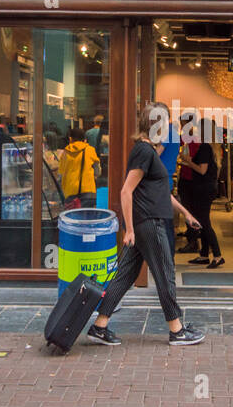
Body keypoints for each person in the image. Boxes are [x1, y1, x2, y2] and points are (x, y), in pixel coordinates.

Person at [87, 102, 208, 347]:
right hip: (148, 224)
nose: (171, 127)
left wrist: (186, 214)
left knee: (124, 276)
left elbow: (162, 192)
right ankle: (177, 329)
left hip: (146, 222)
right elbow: (125, 191)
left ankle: (100, 326)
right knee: (165, 273)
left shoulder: (150, 151)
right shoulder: (143, 151)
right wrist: (129, 229)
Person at [178, 114, 223, 268]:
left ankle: (217, 255)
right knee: (201, 222)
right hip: (207, 188)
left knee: (204, 222)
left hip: (203, 189)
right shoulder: (214, 147)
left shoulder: (204, 147)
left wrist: (188, 161)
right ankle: (204, 254)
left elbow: (202, 170)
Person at [58, 126, 100, 208]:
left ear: (70, 139)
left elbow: (61, 174)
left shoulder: (65, 153)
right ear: (84, 139)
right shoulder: (90, 150)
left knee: (73, 219)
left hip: (70, 192)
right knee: (88, 218)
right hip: (88, 191)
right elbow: (97, 170)